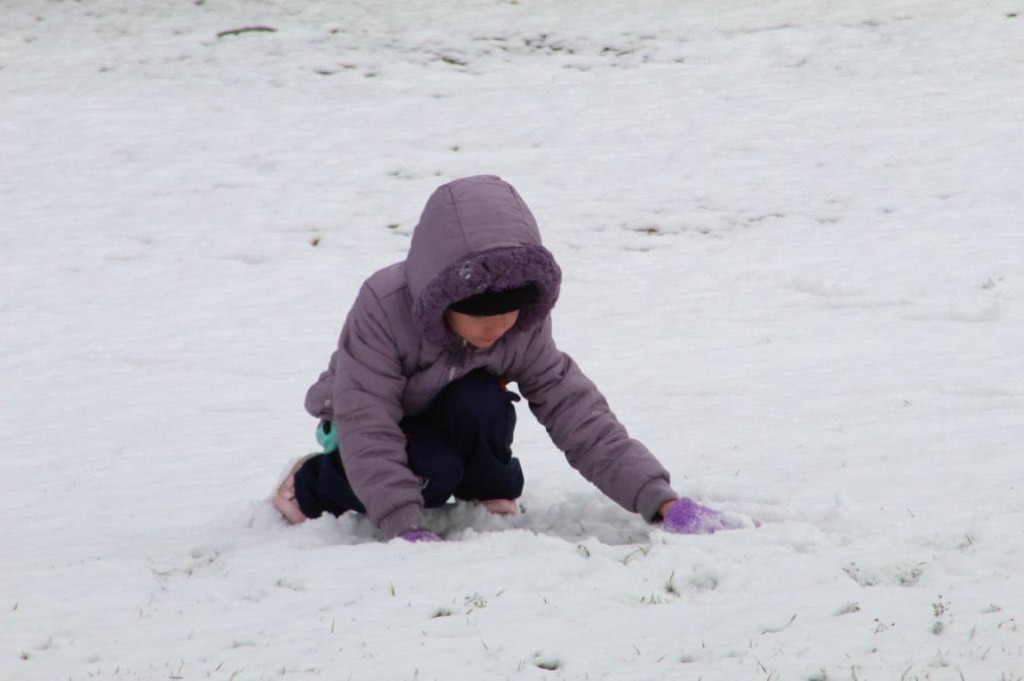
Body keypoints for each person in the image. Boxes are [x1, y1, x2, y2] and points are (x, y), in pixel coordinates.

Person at [272, 175, 741, 542]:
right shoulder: (383, 307)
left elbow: (578, 415)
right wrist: (403, 524)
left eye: (509, 311)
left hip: (447, 411)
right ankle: (311, 483)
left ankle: (483, 487)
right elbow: (367, 419)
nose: (496, 329)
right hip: (363, 423)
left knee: (483, 402)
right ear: (441, 299)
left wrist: (660, 500)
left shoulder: (522, 327)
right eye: (479, 314)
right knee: (434, 471)